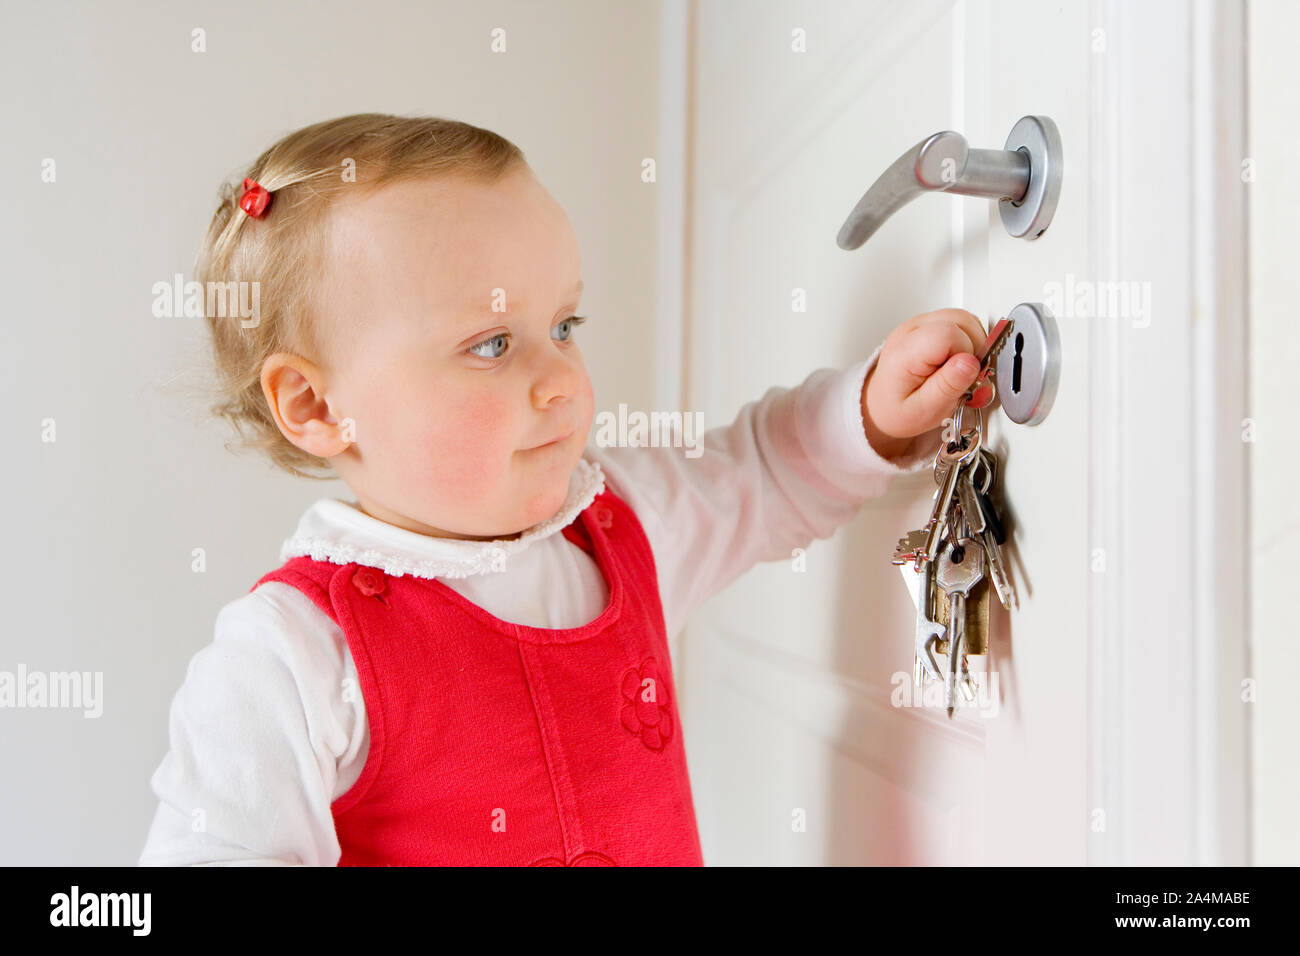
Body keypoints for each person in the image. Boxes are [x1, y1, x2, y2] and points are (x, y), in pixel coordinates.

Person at [138, 113, 988, 866]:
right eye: (493, 345)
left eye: (564, 327)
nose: (562, 383)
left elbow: (762, 475)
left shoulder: (620, 526)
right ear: (318, 406)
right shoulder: (293, 656)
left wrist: (870, 414)